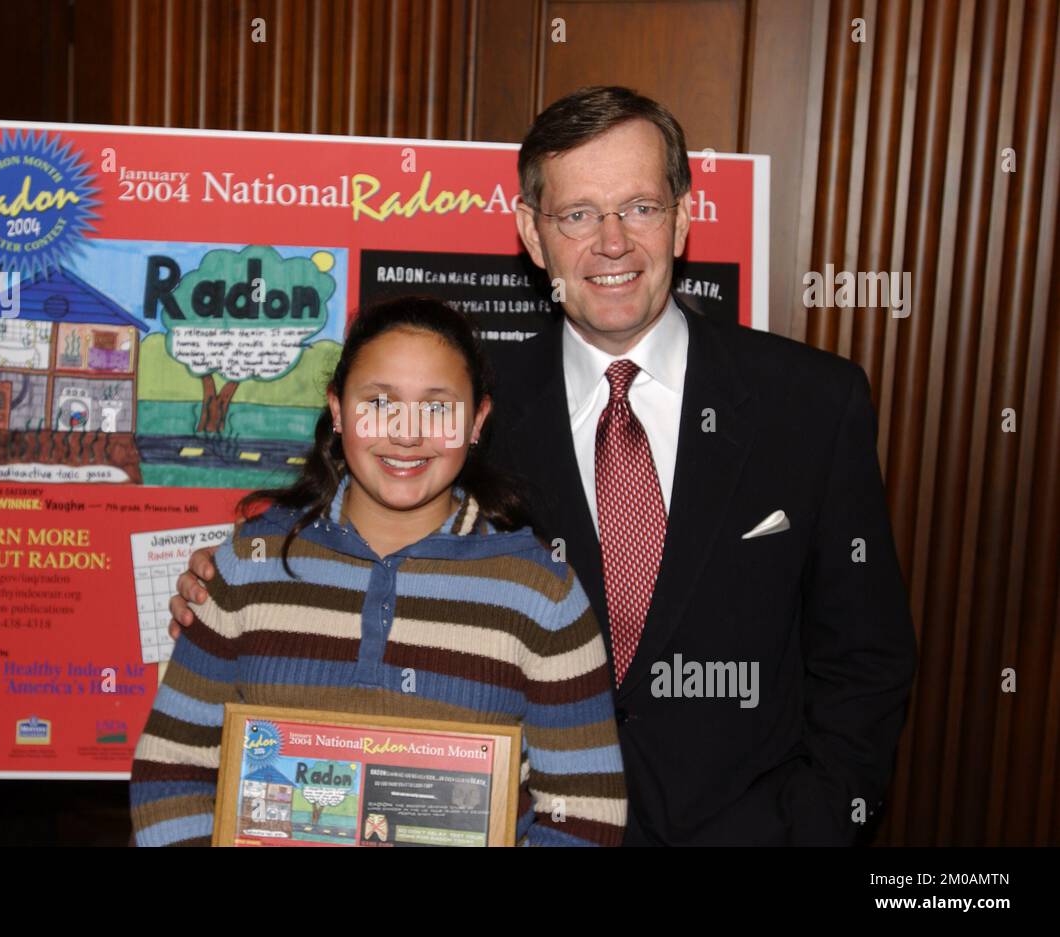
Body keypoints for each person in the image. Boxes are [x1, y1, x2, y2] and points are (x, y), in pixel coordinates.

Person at [174, 86, 918, 846]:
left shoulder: (812, 403)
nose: (613, 242)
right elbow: (353, 540)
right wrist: (229, 577)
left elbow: (866, 655)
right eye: (578, 215)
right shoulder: (466, 410)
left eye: (640, 207)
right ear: (533, 234)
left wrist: (819, 819)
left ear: (685, 215)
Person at [131, 295, 628, 846]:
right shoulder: (250, 567)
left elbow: (583, 812)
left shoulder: (541, 592)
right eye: (378, 402)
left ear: (478, 420)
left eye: (438, 407)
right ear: (338, 410)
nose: (406, 433)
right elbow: (172, 769)